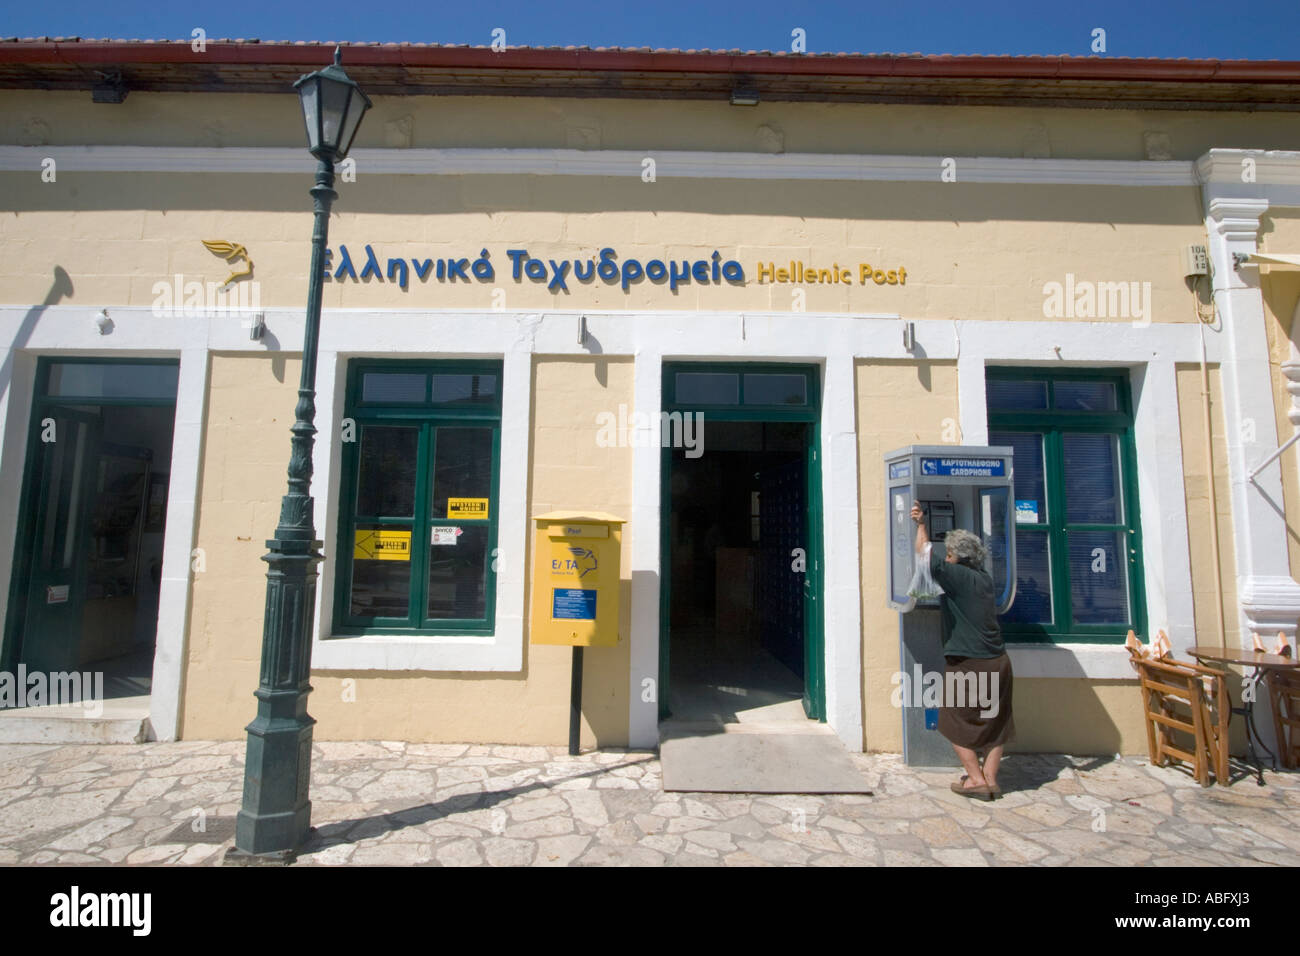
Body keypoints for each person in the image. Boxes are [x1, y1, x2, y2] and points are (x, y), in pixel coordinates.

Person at [910, 501, 1015, 801]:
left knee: (952, 719)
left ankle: (975, 778)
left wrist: (920, 523)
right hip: (998, 660)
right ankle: (991, 780)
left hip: (969, 662)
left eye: (951, 553)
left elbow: (925, 554)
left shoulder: (958, 576)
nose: (949, 556)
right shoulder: (984, 579)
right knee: (996, 723)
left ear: (957, 556)